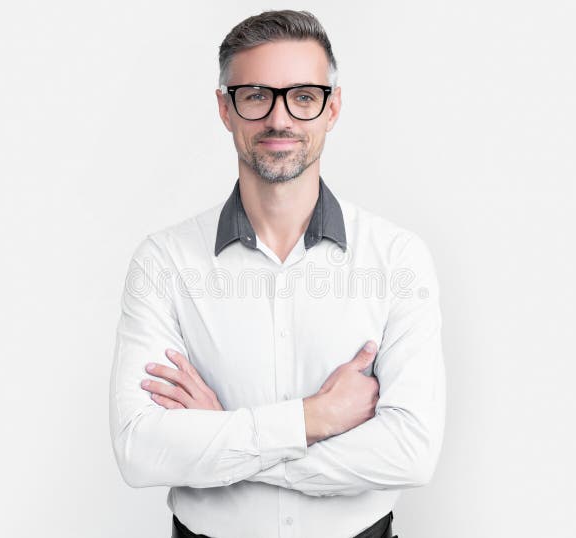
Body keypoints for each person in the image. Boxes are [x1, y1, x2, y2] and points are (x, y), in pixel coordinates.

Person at [109, 9, 445, 538]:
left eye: (304, 97)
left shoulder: (397, 258)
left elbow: (411, 452)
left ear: (332, 109)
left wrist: (227, 446)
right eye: (256, 95)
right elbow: (139, 450)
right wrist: (315, 420)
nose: (280, 119)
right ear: (226, 107)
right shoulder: (163, 263)